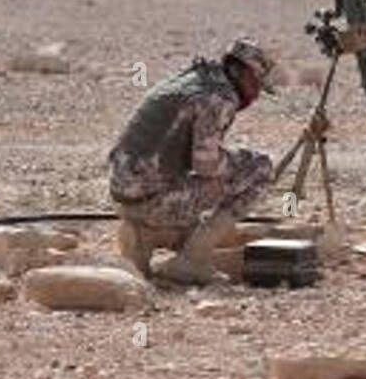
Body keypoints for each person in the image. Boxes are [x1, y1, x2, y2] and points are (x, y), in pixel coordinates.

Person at [108, 38, 276, 283]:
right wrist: (236, 166)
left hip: (122, 195)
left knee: (207, 181)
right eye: (256, 84)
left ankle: (142, 235)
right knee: (260, 169)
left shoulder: (190, 80)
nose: (256, 94)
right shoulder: (219, 97)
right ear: (242, 73)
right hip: (154, 200)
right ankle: (193, 260)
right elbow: (206, 165)